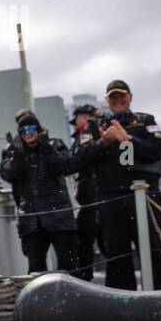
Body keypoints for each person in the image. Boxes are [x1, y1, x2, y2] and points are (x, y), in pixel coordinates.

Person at [77, 80, 161, 290]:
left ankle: (160, 299)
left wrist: (128, 139)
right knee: (117, 254)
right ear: (107, 101)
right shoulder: (95, 126)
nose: (118, 100)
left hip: (144, 196)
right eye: (113, 97)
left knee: (153, 250)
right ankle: (122, 303)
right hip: (111, 199)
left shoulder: (145, 121)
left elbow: (159, 149)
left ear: (130, 97)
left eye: (122, 96)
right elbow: (79, 160)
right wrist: (104, 142)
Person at [0, 112, 80, 274]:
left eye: (30, 128)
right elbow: (8, 175)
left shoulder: (54, 144)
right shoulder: (12, 150)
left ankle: (73, 298)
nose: (27, 133)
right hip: (31, 220)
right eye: (23, 130)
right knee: (36, 269)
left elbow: (65, 167)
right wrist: (18, 156)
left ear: (38, 129)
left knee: (69, 265)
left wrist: (46, 148)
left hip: (59, 217)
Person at [69, 104, 103, 280]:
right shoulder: (79, 137)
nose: (77, 123)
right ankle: (85, 275)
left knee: (105, 241)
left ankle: (87, 275)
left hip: (96, 193)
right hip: (84, 194)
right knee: (84, 240)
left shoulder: (93, 132)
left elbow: (85, 157)